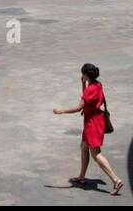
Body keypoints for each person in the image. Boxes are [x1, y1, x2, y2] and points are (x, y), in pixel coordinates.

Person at [53, 63, 123, 195]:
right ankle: (82, 176)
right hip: (95, 120)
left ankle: (116, 179)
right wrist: (83, 84)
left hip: (92, 124)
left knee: (96, 154)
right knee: (83, 147)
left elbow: (79, 107)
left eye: (83, 74)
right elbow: (87, 99)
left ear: (86, 75)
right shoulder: (97, 85)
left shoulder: (90, 89)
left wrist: (61, 111)